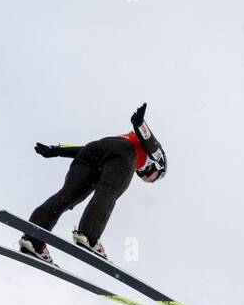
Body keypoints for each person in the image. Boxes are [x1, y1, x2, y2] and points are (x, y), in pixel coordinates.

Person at [21, 103, 167, 264]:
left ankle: (33, 239)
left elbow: (85, 149)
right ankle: (88, 237)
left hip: (94, 149)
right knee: (108, 191)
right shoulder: (157, 156)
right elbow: (149, 141)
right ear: (158, 168)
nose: (150, 180)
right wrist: (140, 123)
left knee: (66, 195)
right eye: (155, 179)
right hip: (122, 154)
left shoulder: (122, 139)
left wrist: (57, 150)